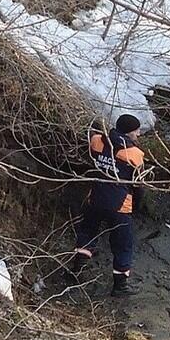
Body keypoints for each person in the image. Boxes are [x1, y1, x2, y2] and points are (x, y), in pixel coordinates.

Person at [68, 113, 145, 297]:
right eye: (136, 131)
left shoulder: (98, 142)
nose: (139, 134)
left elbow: (93, 137)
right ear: (128, 132)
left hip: (95, 198)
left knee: (87, 231)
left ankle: (75, 271)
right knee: (123, 244)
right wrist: (137, 206)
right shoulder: (135, 155)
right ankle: (120, 287)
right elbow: (138, 186)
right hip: (120, 205)